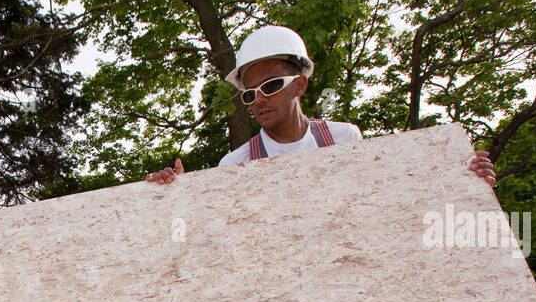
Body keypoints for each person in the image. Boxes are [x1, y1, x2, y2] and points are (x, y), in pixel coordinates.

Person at [146, 25, 497, 185]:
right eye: (249, 93)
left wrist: (462, 180)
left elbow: (387, 201)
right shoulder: (234, 164)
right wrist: (179, 197)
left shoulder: (345, 140)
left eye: (270, 86)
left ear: (300, 83)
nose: (259, 100)